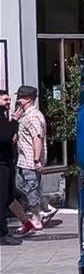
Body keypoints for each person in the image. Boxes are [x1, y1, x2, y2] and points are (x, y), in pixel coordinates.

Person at [11, 85, 45, 237]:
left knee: (31, 189)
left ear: (29, 99)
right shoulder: (26, 115)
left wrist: (37, 160)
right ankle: (43, 205)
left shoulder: (33, 116)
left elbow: (37, 137)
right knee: (20, 187)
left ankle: (37, 217)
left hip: (30, 161)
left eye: (21, 97)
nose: (18, 100)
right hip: (23, 160)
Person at [0, 90, 19, 245]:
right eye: (5, 99)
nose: (8, 102)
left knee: (7, 196)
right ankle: (2, 233)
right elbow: (4, 136)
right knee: (2, 197)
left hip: (6, 163)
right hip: (1, 165)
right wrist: (14, 121)